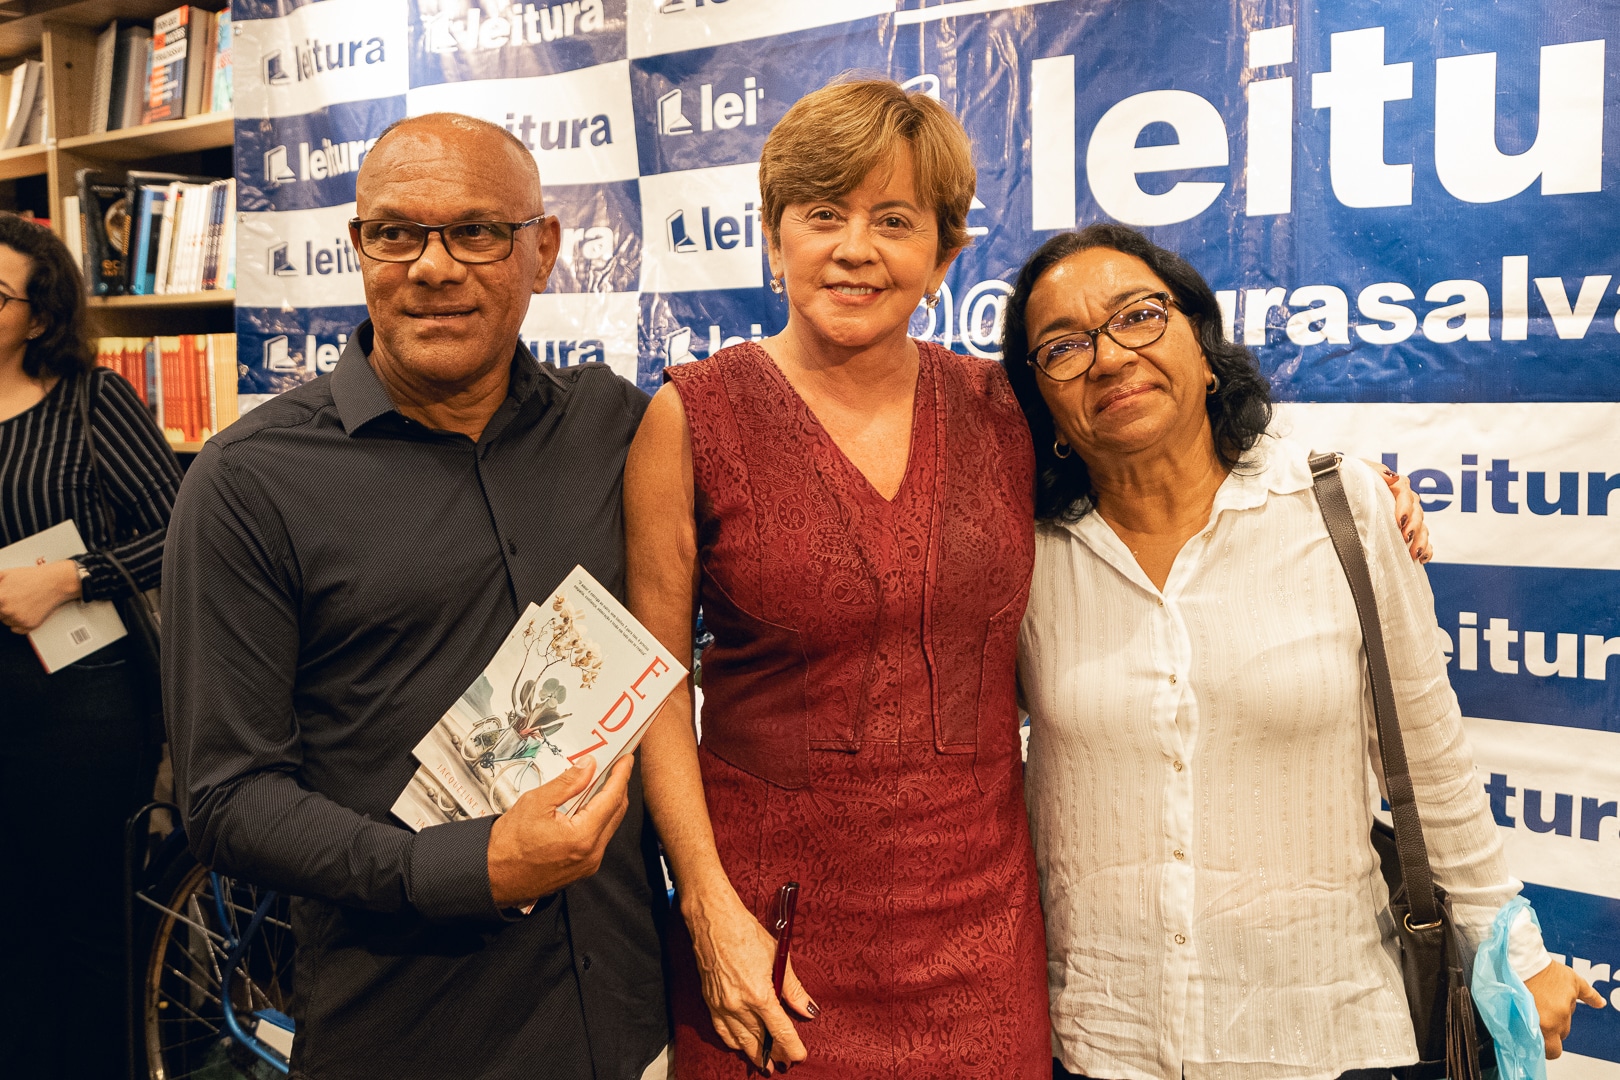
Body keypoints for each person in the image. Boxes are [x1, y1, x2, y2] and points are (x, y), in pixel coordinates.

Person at [1001, 223, 1604, 1080]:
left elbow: (1431, 757)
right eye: (1062, 346)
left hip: (1327, 1032)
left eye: (1138, 316)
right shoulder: (1024, 558)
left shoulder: (1342, 508)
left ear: (1205, 350)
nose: (1106, 357)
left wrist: (1519, 950)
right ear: (1043, 403)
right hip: (1103, 1036)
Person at [163, 113, 668, 1080]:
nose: (434, 267)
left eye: (477, 231)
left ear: (543, 250)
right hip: (416, 1036)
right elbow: (227, 801)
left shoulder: (616, 429)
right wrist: (457, 871)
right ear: (359, 249)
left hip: (635, 1016)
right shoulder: (248, 482)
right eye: (398, 232)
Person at [625, 79, 1051, 1078]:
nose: (856, 249)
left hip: (984, 937)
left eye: (895, 221)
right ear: (775, 237)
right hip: (771, 941)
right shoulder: (691, 418)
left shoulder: (1004, 410)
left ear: (945, 256)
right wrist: (709, 913)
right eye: (824, 215)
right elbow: (651, 686)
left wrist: (1348, 491)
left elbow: (1166, 483)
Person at [0, 213, 181, 1077]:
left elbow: (183, 527)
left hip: (81, 707)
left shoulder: (91, 401)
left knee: (88, 929)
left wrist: (71, 575)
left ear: (38, 318)